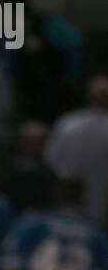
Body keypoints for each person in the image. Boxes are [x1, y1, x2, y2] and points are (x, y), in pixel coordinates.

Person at [46, 73, 108, 229]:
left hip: (70, 209)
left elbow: (51, 160)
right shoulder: (68, 123)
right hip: (92, 210)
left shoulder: (67, 123)